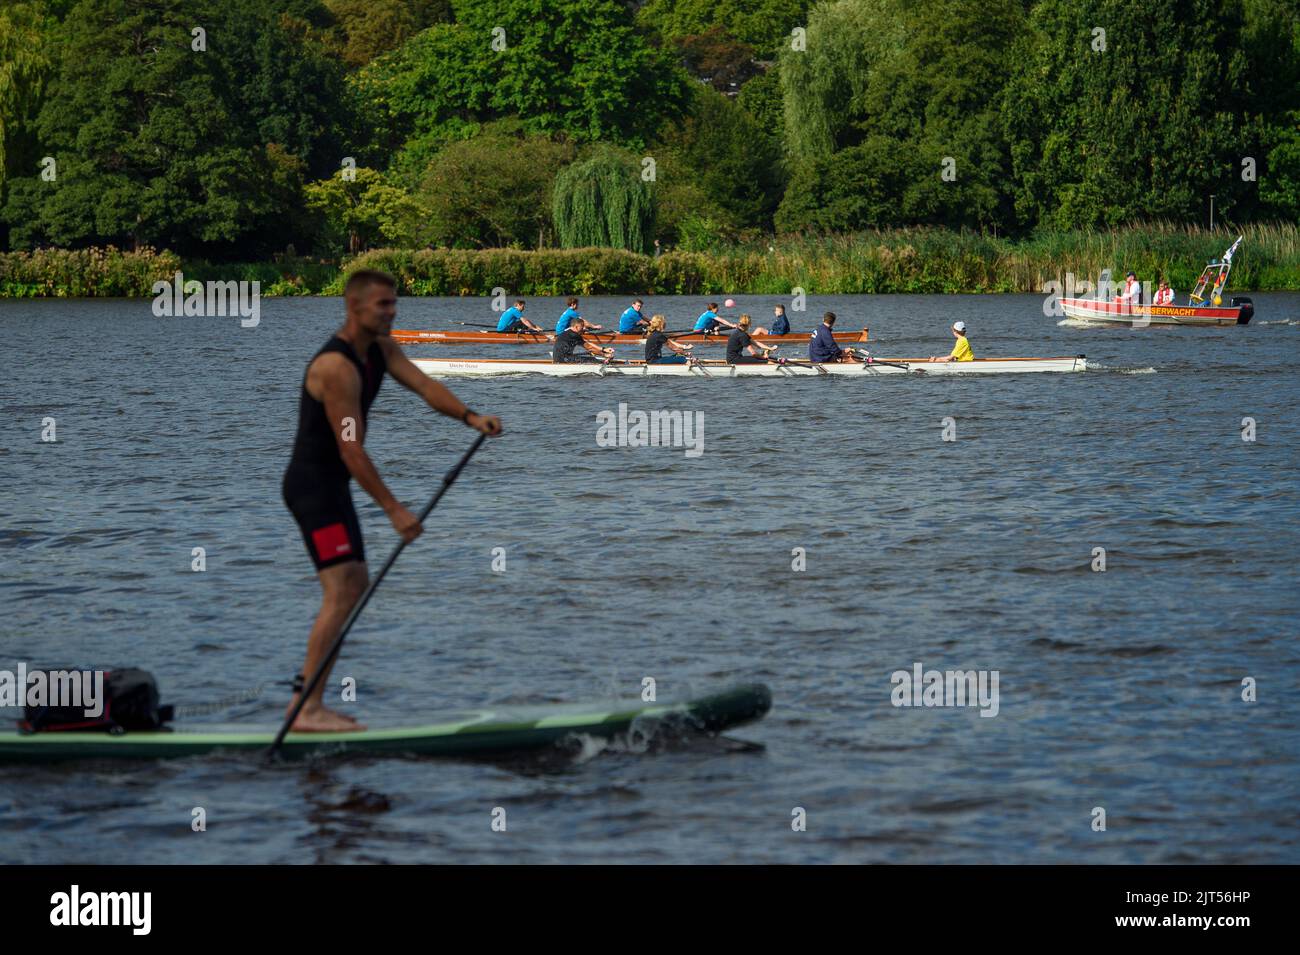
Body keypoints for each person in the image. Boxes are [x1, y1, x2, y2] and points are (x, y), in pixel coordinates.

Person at [282, 270, 502, 732]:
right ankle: (307, 708)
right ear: (354, 306)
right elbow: (350, 448)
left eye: (393, 303)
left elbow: (425, 387)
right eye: (383, 304)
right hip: (313, 487)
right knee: (341, 592)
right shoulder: (337, 368)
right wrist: (394, 509)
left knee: (351, 588)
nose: (392, 311)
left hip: (333, 486)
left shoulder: (380, 350)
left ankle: (308, 700)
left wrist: (469, 416)